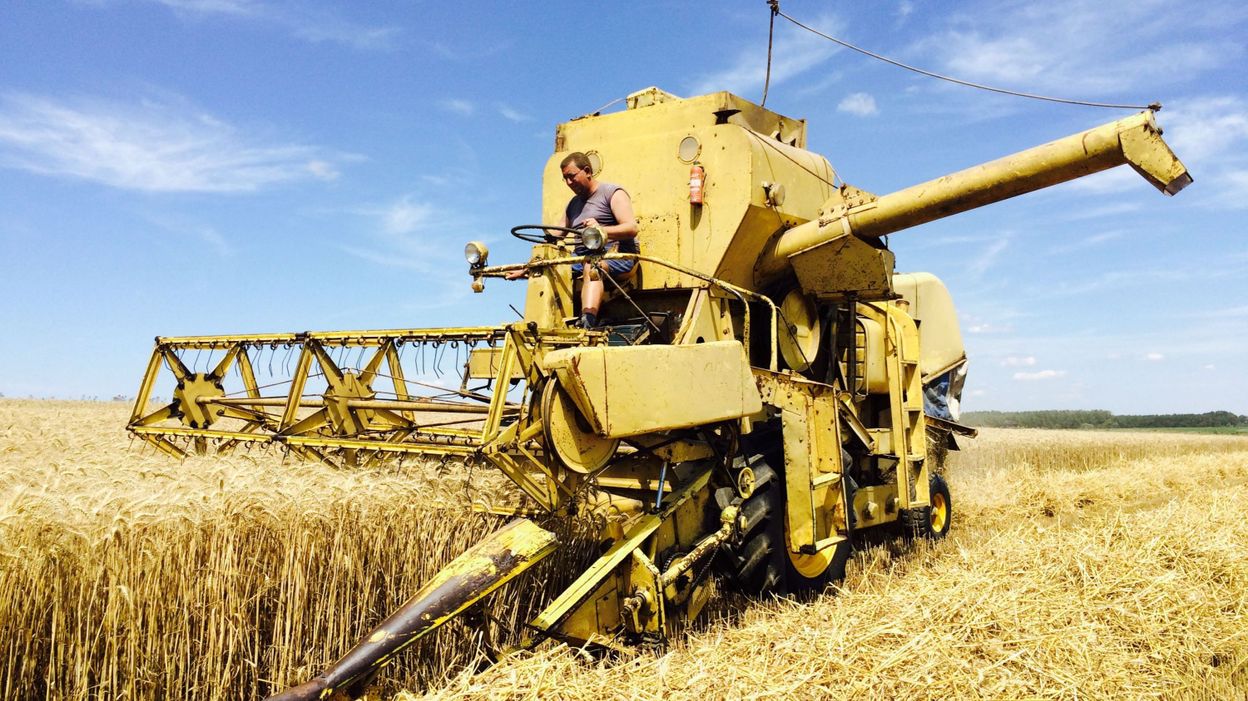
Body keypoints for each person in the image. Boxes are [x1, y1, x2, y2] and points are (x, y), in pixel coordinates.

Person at [508, 152, 638, 329]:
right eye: (565, 179)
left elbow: (631, 228)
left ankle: (587, 321)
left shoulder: (613, 193)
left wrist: (601, 230)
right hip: (582, 257)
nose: (569, 183)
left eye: (571, 176)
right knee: (547, 267)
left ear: (587, 171)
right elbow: (556, 234)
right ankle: (544, 327)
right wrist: (528, 268)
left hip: (617, 255)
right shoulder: (573, 205)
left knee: (592, 266)